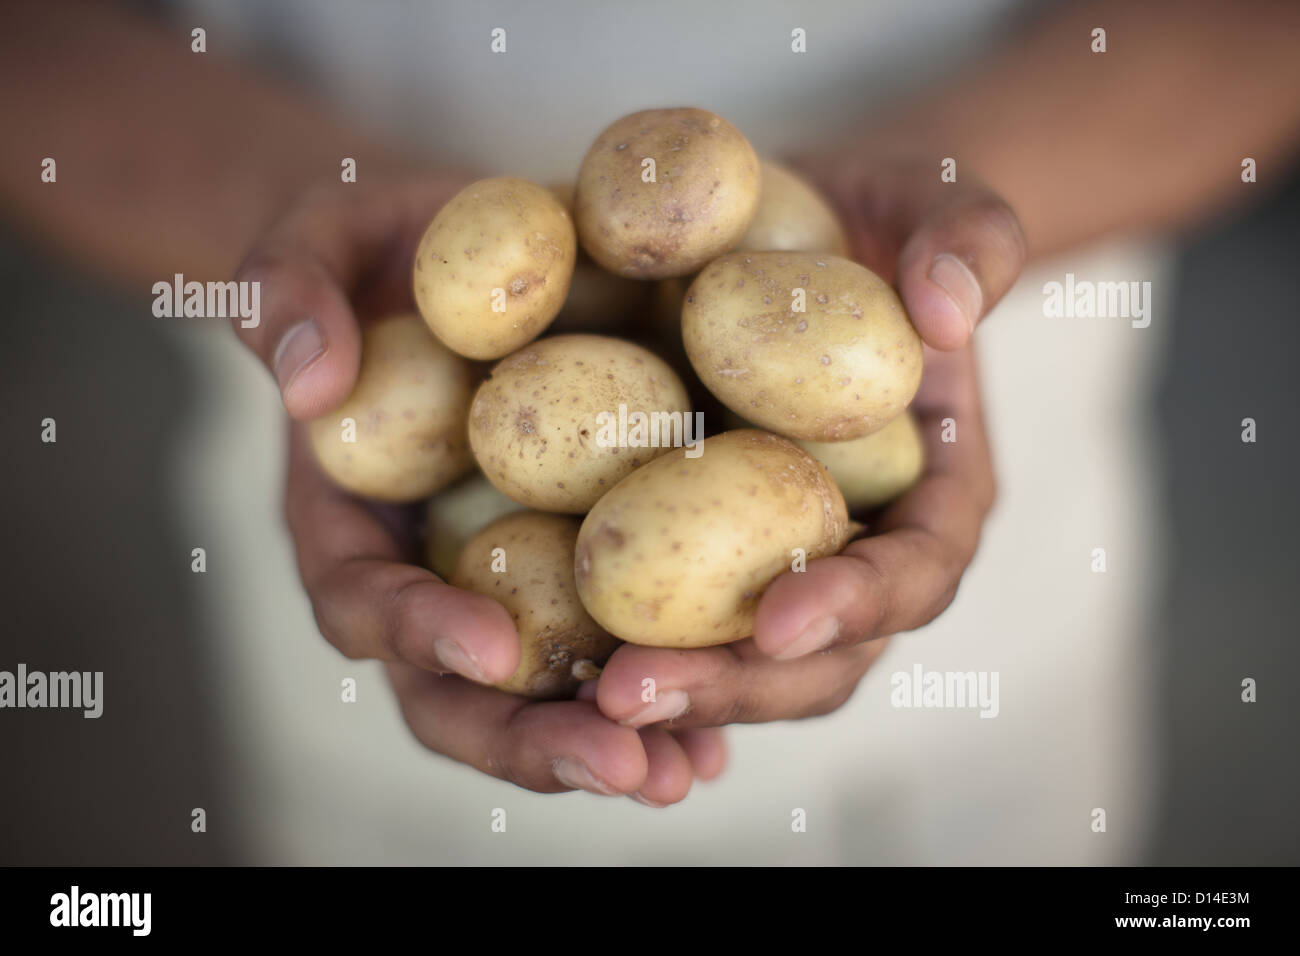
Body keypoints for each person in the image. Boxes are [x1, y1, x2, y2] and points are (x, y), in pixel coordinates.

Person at [3, 0, 1298, 811]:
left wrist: (954, 208)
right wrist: (301, 234)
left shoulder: (762, 293)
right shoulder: (490, 362)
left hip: (989, 635)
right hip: (391, 561)